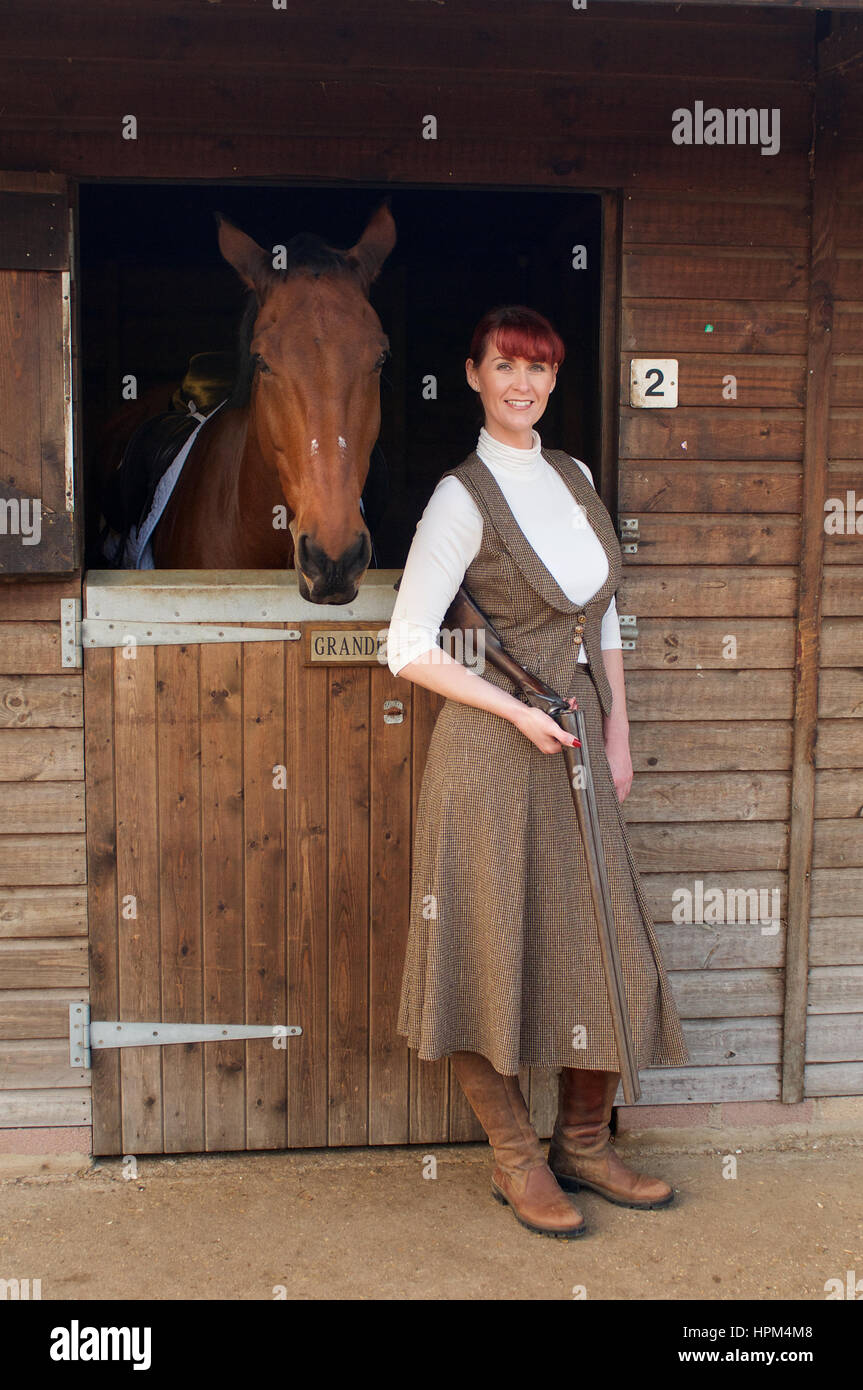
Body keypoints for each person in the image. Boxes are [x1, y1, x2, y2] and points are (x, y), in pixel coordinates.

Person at [386, 305, 689, 1240]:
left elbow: (600, 621)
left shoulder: (575, 476)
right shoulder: (459, 498)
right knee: (485, 952)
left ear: (554, 381)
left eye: (540, 369)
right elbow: (405, 648)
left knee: (603, 944)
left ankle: (585, 1145)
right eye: (505, 366)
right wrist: (517, 711)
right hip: (490, 753)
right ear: (472, 374)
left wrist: (619, 732)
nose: (523, 383)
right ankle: (517, 1162)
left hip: (580, 748)